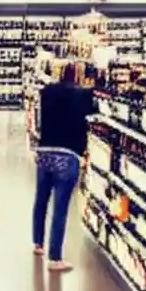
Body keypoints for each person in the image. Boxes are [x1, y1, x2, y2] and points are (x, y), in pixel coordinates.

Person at [33, 63, 96, 271]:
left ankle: (38, 243)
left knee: (41, 200)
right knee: (60, 209)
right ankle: (55, 258)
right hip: (67, 154)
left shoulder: (47, 92)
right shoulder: (83, 95)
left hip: (44, 151)